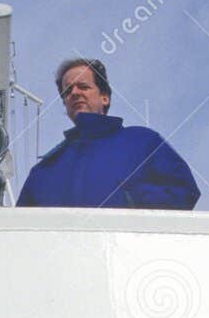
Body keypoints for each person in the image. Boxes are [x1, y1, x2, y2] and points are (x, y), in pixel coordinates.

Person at [16, 58, 198, 209]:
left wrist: (129, 199)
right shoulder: (43, 171)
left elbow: (184, 191)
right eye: (67, 91)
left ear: (105, 97)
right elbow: (18, 231)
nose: (75, 93)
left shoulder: (143, 142)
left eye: (83, 86)